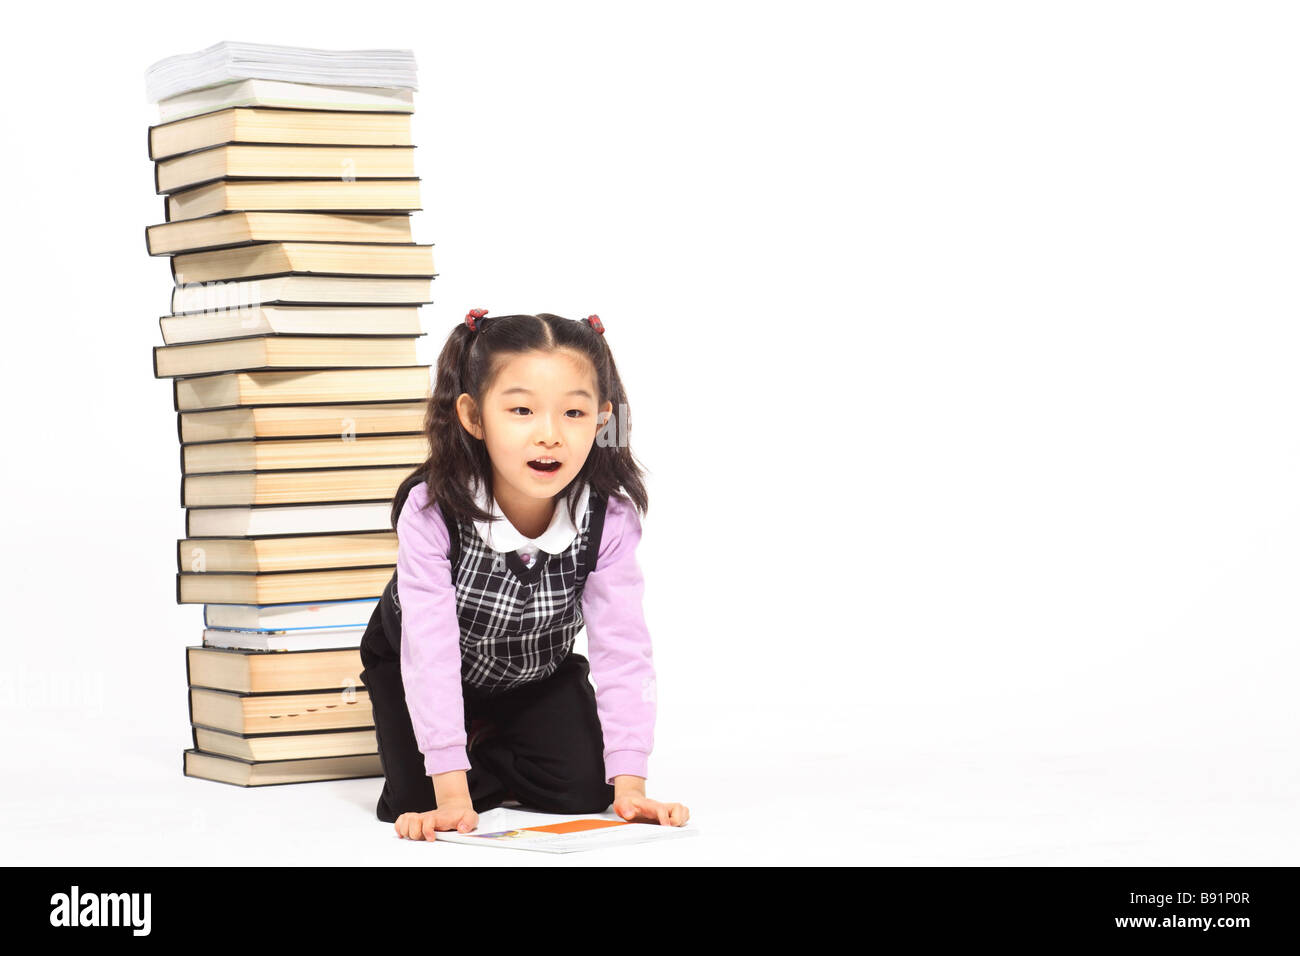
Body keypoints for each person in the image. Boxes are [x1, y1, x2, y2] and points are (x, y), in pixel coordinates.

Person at [360, 309, 690, 841]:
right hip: (420, 663)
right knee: (415, 800)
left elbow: (623, 648)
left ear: (602, 421)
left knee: (587, 791)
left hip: (531, 669)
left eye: (574, 414)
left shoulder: (609, 517)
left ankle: (490, 737)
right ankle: (459, 743)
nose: (550, 436)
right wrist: (451, 792)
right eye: (521, 410)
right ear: (473, 416)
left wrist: (630, 786)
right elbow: (430, 648)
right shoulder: (432, 510)